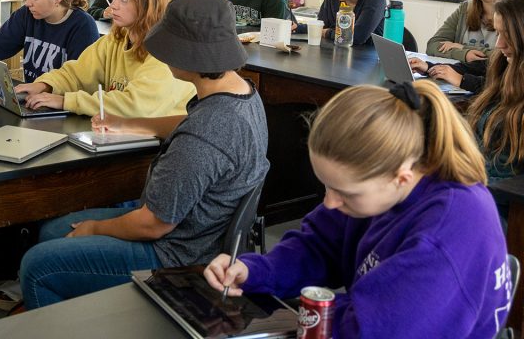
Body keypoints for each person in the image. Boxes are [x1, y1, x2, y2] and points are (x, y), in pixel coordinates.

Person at [18, 0, 270, 309]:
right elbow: (187, 123)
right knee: (53, 230)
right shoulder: (240, 94)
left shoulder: (207, 133)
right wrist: (129, 123)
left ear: (188, 56)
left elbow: (153, 224)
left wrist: (93, 229)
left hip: (172, 253)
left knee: (37, 266)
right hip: (196, 233)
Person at [205, 81, 510, 339]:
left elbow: (370, 330)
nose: (330, 202)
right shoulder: (379, 184)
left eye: (344, 193)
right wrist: (254, 271)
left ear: (400, 177)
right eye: (326, 186)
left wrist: (301, 319)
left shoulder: (447, 233)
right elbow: (319, 246)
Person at [15, 0, 195, 118]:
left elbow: (134, 106)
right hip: (126, 136)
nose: (113, 5)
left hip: (162, 148)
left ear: (147, 2)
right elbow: (77, 72)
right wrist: (44, 85)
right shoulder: (117, 39)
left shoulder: (168, 50)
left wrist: (66, 101)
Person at [467, 0, 524, 187]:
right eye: (497, 32)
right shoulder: (504, 68)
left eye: (507, 35)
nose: (498, 44)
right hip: (474, 183)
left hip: (500, 200)